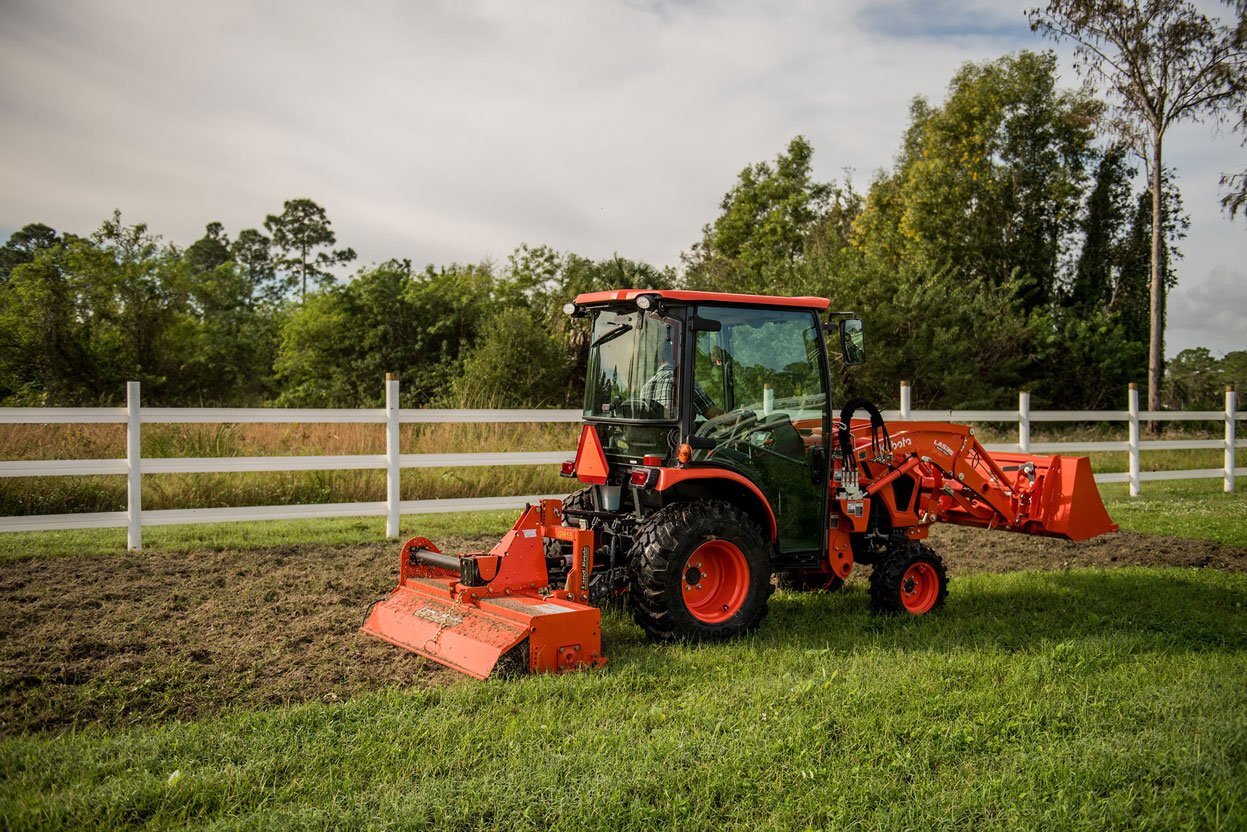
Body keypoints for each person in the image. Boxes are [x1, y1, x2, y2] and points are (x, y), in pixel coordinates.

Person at [640, 338, 722, 419]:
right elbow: (714, 415)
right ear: (679, 358)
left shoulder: (645, 388)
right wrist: (734, 418)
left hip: (657, 432)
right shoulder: (683, 382)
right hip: (679, 432)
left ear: (659, 361)